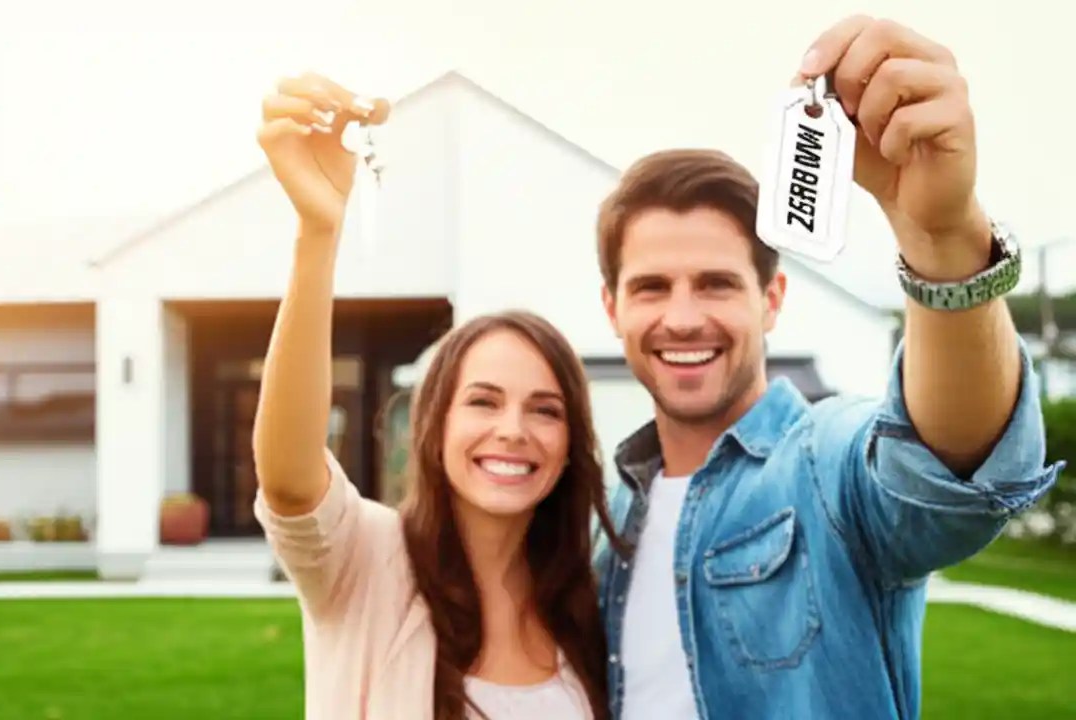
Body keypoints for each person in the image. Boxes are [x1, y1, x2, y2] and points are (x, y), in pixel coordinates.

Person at [591, 14, 1063, 720]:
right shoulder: (603, 516)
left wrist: (942, 238)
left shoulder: (824, 465)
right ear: (612, 308)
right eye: (652, 287)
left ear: (772, 299)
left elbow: (943, 471)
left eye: (716, 284)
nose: (683, 317)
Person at [251, 73, 625, 720]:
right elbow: (287, 479)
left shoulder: (585, 613)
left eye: (545, 410)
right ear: (436, 426)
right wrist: (317, 233)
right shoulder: (367, 562)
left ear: (571, 445)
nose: (513, 429)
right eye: (483, 401)